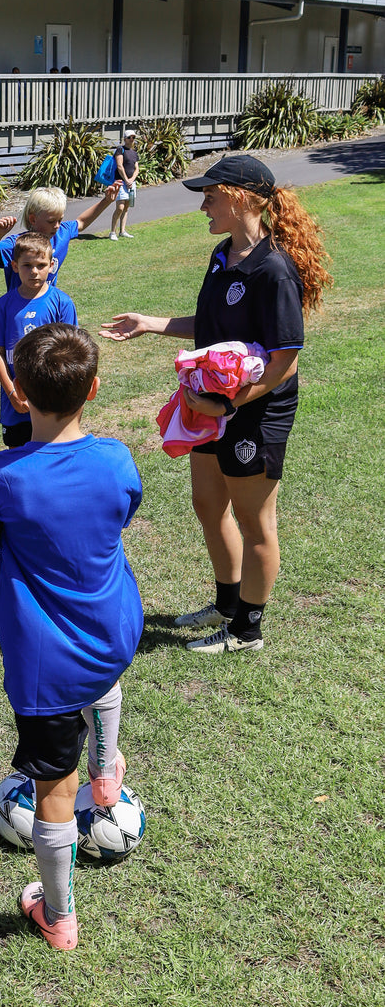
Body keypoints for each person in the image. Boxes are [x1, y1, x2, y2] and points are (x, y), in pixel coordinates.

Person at [101, 154, 330, 654]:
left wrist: (226, 409)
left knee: (255, 523)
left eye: (210, 196)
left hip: (255, 411)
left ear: (240, 198)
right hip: (210, 405)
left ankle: (247, 629)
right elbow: (211, 329)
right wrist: (151, 324)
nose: (203, 206)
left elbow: (284, 362)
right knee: (207, 504)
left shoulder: (274, 269)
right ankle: (228, 602)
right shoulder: (223, 254)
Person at [0, 325, 141, 952]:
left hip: (47, 664)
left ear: (18, 394)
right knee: (104, 682)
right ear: (93, 389)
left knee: (54, 792)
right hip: (113, 631)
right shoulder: (116, 459)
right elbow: (121, 511)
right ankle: (107, 779)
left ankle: (59, 916)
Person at [0, 231, 77, 448]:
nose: (34, 271)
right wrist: (12, 393)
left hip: (52, 402)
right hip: (16, 404)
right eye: (27, 265)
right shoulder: (4, 305)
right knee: (18, 456)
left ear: (52, 265)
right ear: (15, 266)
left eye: (41, 265)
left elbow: (71, 352)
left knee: (54, 454)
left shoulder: (62, 303)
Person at [0, 183, 117, 293]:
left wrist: (107, 201)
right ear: (33, 219)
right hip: (18, 307)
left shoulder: (62, 233)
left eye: (60, 220)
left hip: (46, 304)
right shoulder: (19, 243)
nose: (57, 226)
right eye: (51, 221)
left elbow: (81, 223)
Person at [110, 129, 140, 241]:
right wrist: (126, 180)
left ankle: (122, 231)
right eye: (129, 137)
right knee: (120, 207)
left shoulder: (134, 153)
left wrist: (131, 180)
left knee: (126, 207)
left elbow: (137, 169)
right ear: (125, 139)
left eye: (133, 137)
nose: (132, 139)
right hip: (120, 182)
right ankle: (112, 232)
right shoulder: (120, 150)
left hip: (131, 183)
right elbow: (119, 166)